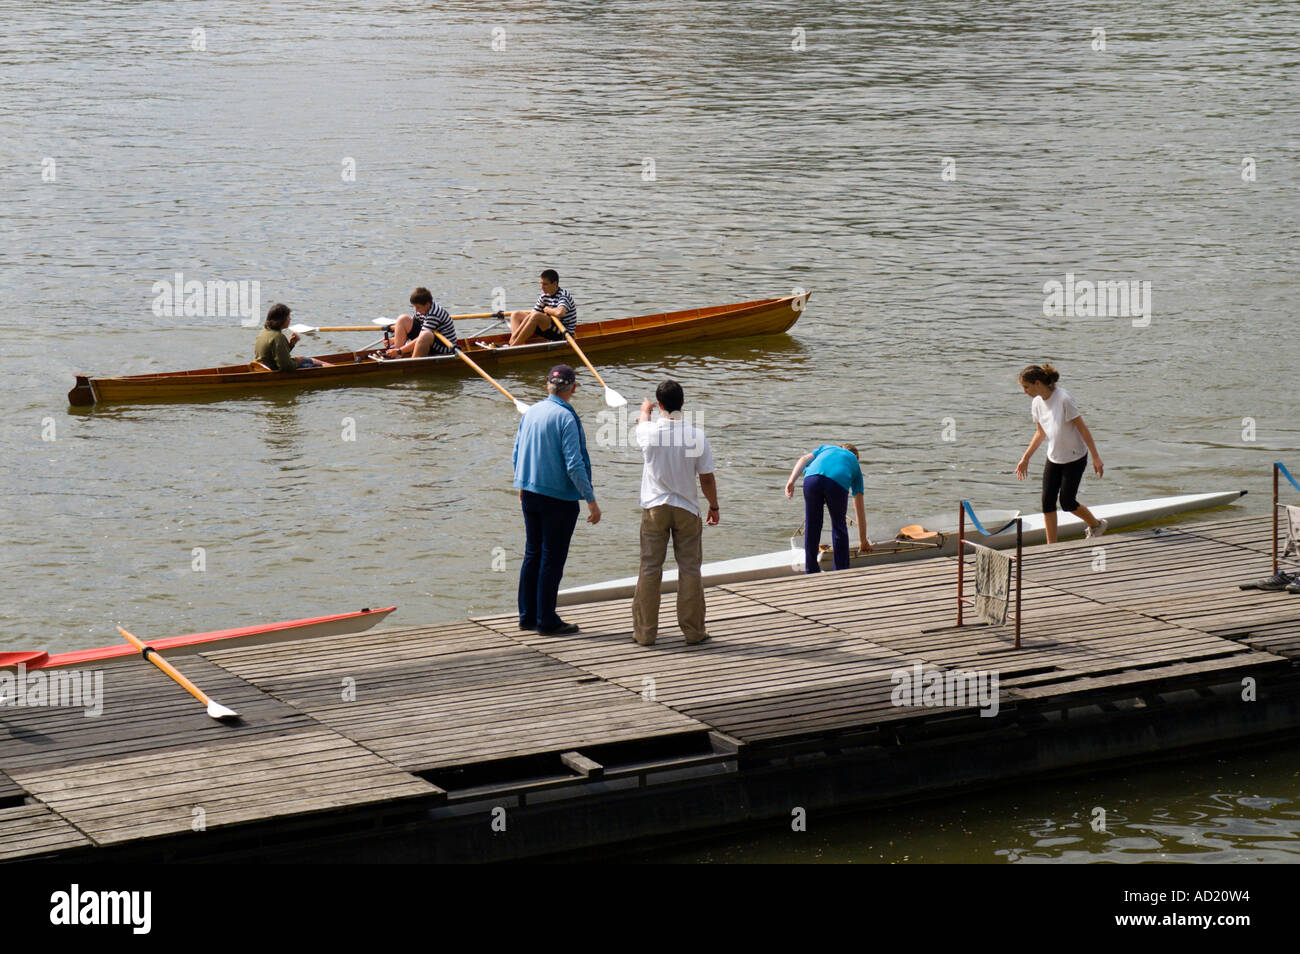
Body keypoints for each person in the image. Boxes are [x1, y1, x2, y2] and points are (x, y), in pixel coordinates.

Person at [513, 365, 601, 635]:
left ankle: (527, 616)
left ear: (547, 385)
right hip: (558, 499)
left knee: (532, 553)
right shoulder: (566, 418)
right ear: (573, 388)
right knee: (552, 558)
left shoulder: (531, 412)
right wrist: (591, 499)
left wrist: (520, 483)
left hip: (529, 492)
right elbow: (574, 465)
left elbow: (517, 452)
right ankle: (547, 620)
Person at [631, 381, 719, 647]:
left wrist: (645, 410)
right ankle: (693, 631)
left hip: (655, 508)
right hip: (686, 508)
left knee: (649, 568)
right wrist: (714, 506)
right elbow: (706, 478)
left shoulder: (648, 432)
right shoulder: (695, 435)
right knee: (690, 569)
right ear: (683, 404)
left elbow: (643, 421)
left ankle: (645, 633)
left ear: (659, 405)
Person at [1015, 363, 1107, 543]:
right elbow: (1040, 433)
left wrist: (1096, 457)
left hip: (1075, 458)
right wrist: (1025, 458)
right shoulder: (1036, 403)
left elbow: (1082, 428)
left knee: (1067, 503)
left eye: (1026, 387)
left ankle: (1096, 525)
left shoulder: (1064, 398)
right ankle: (1052, 546)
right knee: (1047, 503)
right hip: (1054, 457)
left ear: (1038, 383)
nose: (1024, 391)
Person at [785, 444, 871, 573]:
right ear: (856, 457)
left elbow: (803, 459)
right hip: (836, 483)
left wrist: (791, 481)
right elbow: (860, 509)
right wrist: (863, 540)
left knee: (812, 525)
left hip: (811, 479)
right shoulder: (854, 464)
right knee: (839, 526)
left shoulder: (826, 448)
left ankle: (811, 569)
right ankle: (841, 571)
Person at [506, 269, 577, 346]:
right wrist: (515, 335)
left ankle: (514, 346)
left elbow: (560, 313)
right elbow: (531, 315)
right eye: (541, 284)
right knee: (516, 315)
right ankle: (515, 342)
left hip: (563, 334)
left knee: (537, 316)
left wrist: (547, 310)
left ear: (555, 284)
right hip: (549, 328)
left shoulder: (563, 296)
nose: (542, 287)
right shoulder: (544, 296)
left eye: (545, 284)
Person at [385, 287, 457, 358]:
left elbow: (421, 337)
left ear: (427, 304)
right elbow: (410, 329)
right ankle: (395, 356)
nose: (416, 311)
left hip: (444, 347)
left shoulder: (434, 314)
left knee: (426, 335)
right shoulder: (423, 309)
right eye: (415, 307)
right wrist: (395, 339)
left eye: (418, 307)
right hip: (431, 339)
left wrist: (399, 350)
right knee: (403, 319)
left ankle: (412, 363)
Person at [254, 303, 325, 370]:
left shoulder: (263, 332)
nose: (290, 319)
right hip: (272, 371)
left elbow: (276, 355)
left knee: (307, 360)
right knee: (317, 366)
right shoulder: (278, 337)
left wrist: (291, 345)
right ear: (282, 320)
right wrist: (298, 361)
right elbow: (286, 366)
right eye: (288, 316)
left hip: (262, 368)